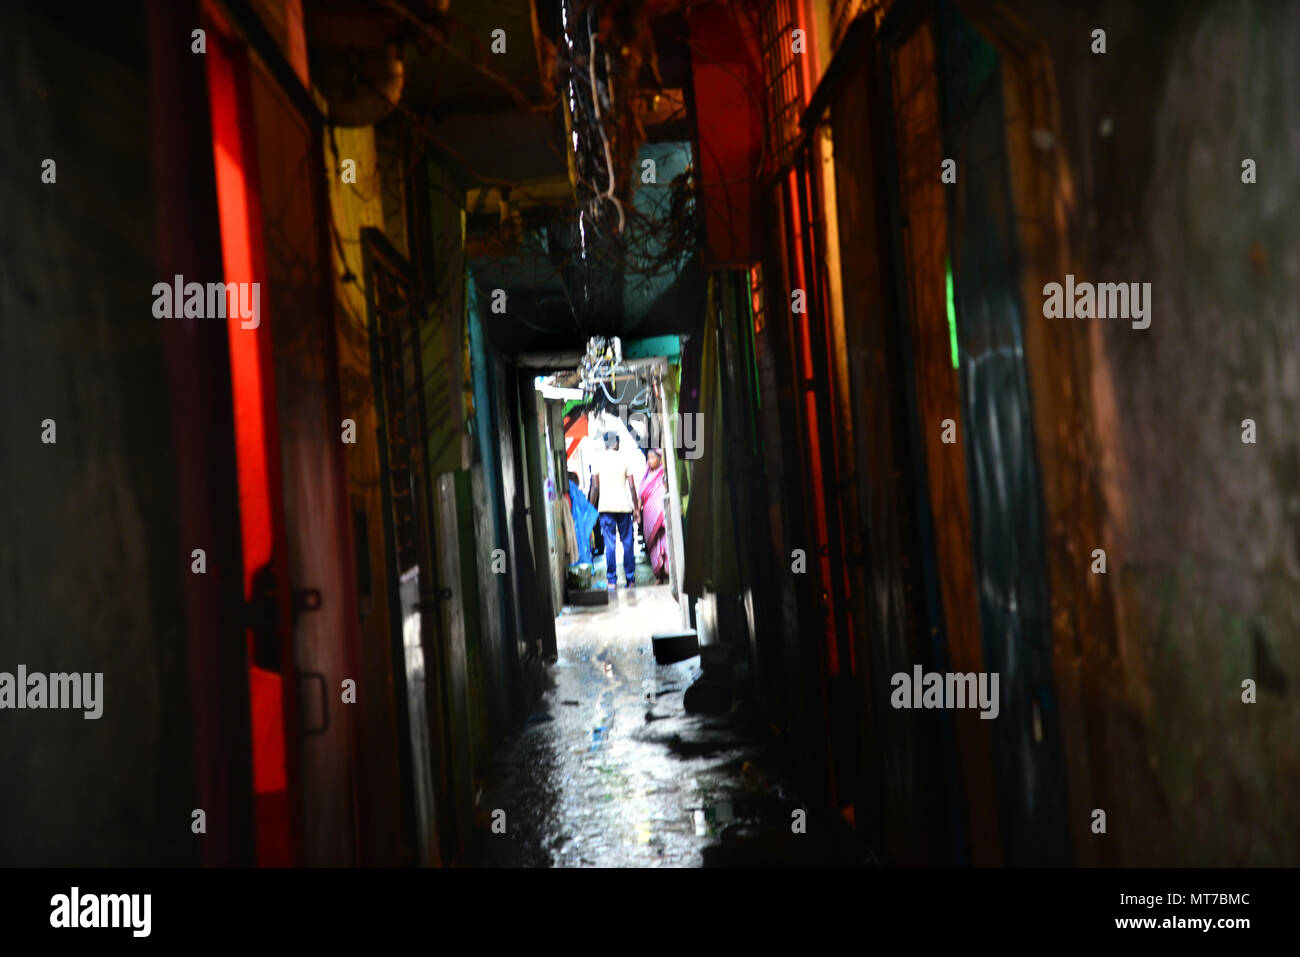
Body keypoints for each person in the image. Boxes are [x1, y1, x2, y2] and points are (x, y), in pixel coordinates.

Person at [589, 432, 640, 593]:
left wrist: (591, 510)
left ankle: (611, 581)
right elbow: (632, 486)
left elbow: (595, 487)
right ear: (617, 443)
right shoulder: (625, 458)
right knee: (627, 543)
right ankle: (630, 580)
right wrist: (636, 508)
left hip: (606, 508)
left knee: (610, 544)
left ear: (605, 444)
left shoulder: (598, 460)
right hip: (624, 507)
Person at [638, 449, 670, 584]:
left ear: (659, 459)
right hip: (649, 516)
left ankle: (668, 572)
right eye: (648, 458)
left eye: (653, 458)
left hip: (662, 514)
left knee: (665, 542)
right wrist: (637, 510)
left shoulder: (662, 473)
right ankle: (658, 575)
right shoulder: (645, 476)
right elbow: (640, 494)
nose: (650, 461)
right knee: (653, 546)